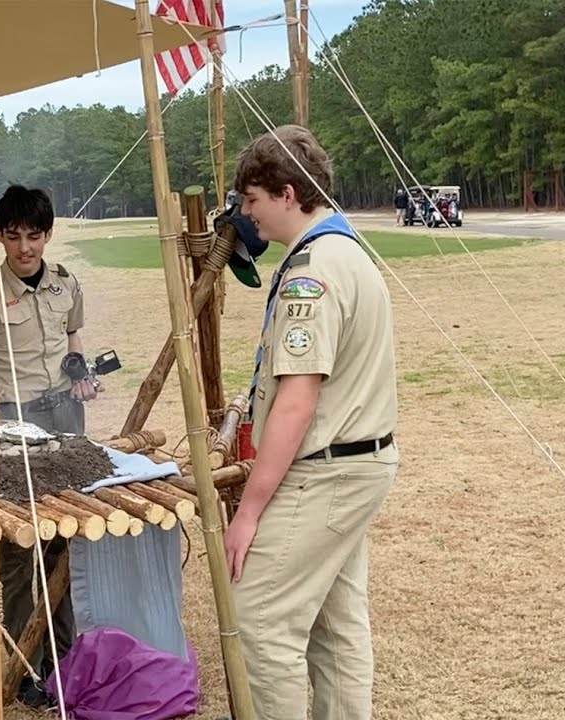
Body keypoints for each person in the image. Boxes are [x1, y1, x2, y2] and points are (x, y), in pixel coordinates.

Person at [221, 124, 399, 720]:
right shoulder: (347, 251)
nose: (249, 217)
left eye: (252, 200)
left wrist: (249, 511)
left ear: (288, 194)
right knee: (336, 624)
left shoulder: (313, 271)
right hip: (359, 461)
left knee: (260, 619)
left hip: (326, 470)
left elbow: (297, 399)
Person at [0, 184, 98, 708]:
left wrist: (81, 372)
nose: (25, 247)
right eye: (14, 236)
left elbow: (73, 341)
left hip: (65, 418)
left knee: (65, 542)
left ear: (48, 235)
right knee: (18, 552)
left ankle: (64, 664)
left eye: (34, 236)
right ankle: (21, 668)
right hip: (12, 426)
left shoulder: (67, 284)